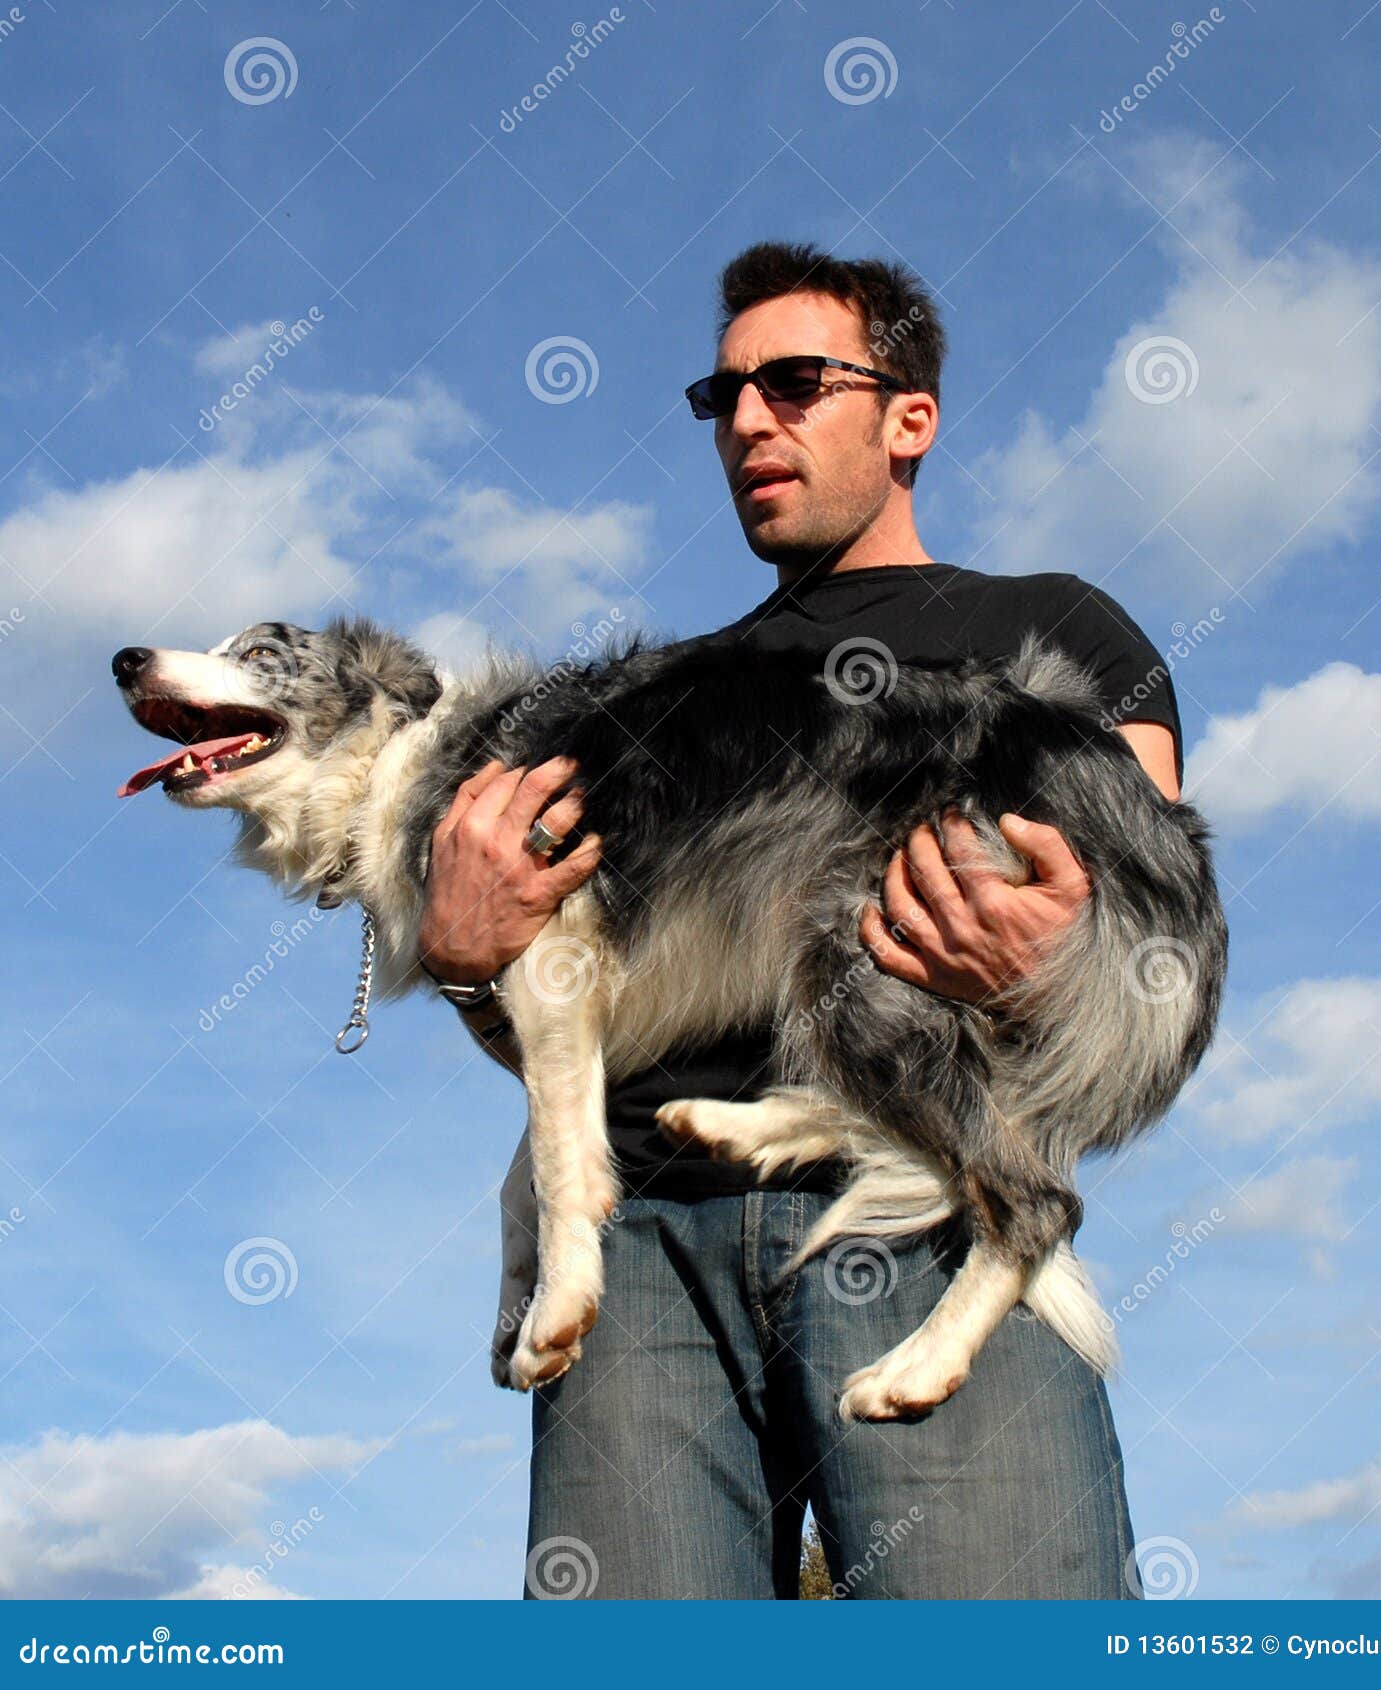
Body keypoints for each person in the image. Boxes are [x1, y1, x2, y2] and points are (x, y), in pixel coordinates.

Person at [417, 242, 1182, 1600]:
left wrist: (1050, 956)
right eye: (723, 398)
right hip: (639, 1249)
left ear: (909, 419)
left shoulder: (1052, 629)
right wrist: (475, 963)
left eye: (792, 381)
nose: (751, 421)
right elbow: (580, 1011)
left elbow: (1140, 919)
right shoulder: (668, 693)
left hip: (914, 1207)